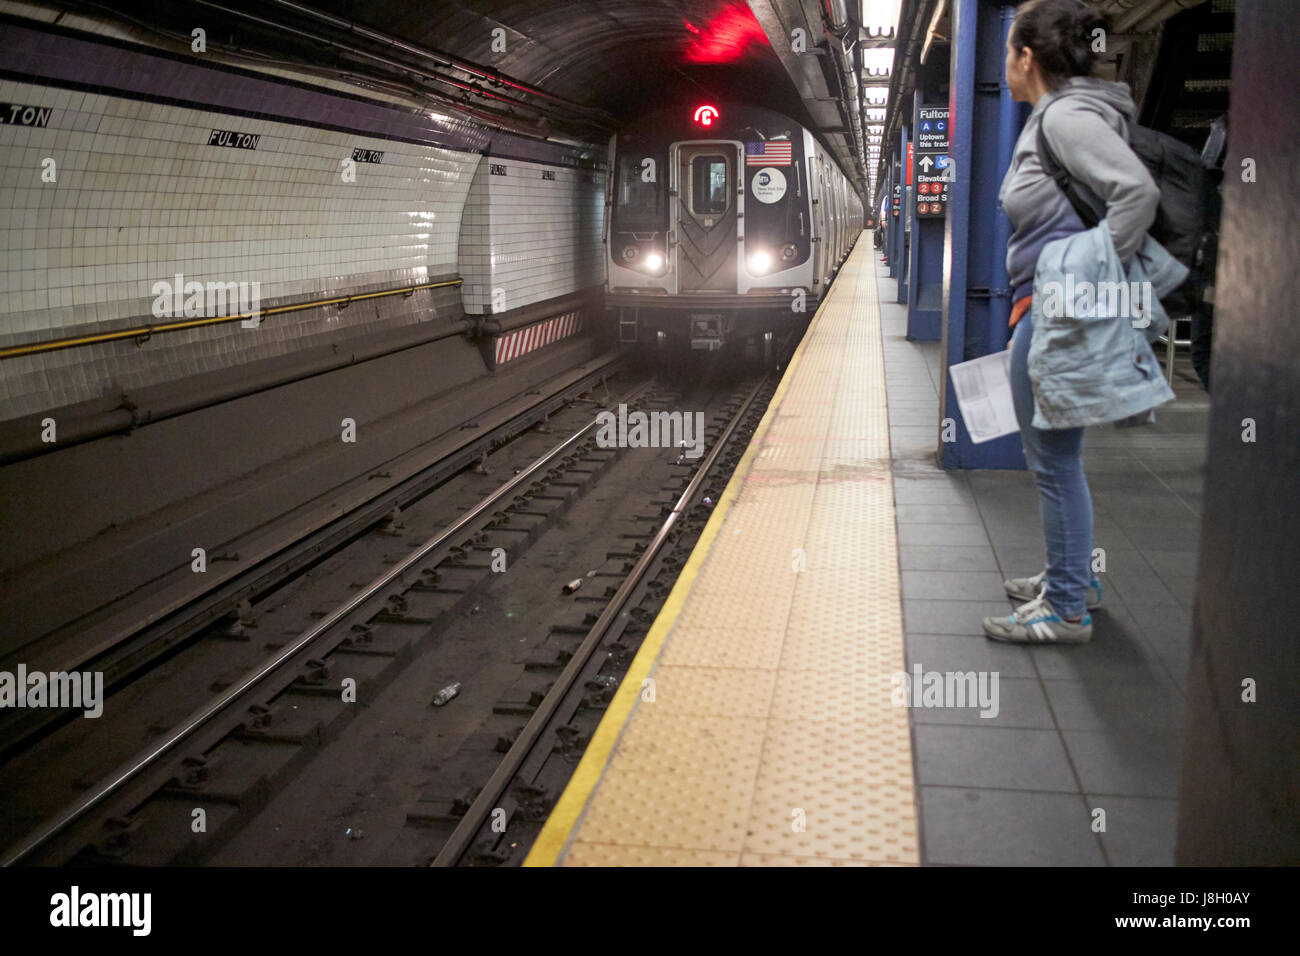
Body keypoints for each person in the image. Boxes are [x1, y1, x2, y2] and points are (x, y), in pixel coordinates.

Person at [982, 0, 1161, 644]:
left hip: (1058, 309)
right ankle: (1072, 579)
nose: (1005, 63)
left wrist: (1082, 275)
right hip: (1049, 305)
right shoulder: (1057, 117)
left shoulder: (1065, 116)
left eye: (1008, 51)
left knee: (1052, 461)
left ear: (1027, 58)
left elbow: (1136, 194)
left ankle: (1065, 610)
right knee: (1061, 457)